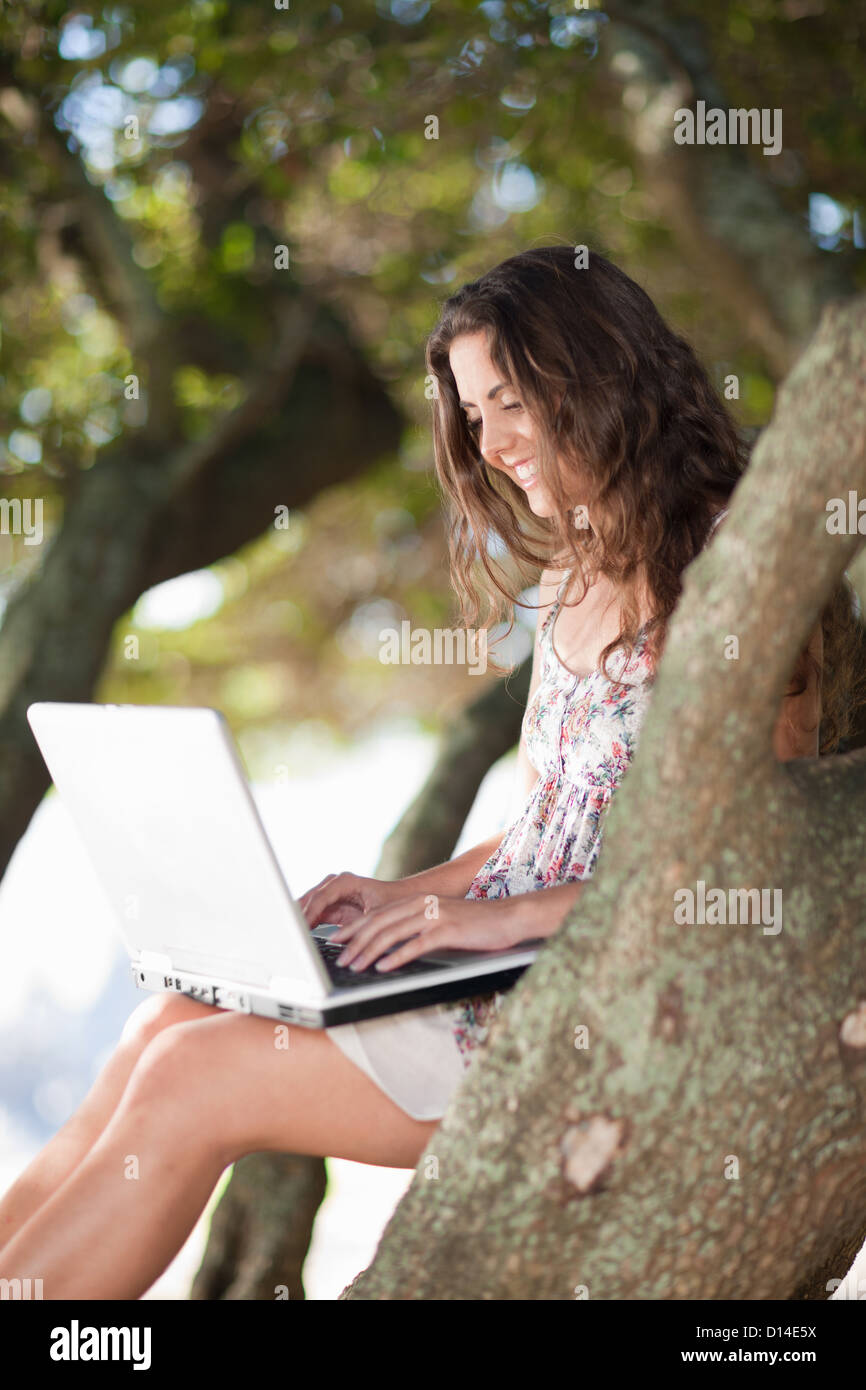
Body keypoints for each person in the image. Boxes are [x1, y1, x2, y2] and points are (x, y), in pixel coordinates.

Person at [0, 247, 860, 1299]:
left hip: (590, 1000)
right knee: (163, 1022)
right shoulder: (572, 570)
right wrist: (407, 898)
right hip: (490, 970)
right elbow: (549, 825)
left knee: (191, 1079)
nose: (492, 445)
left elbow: (742, 851)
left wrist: (499, 924)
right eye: (471, 413)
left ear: (595, 370)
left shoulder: (738, 565)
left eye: (509, 402)